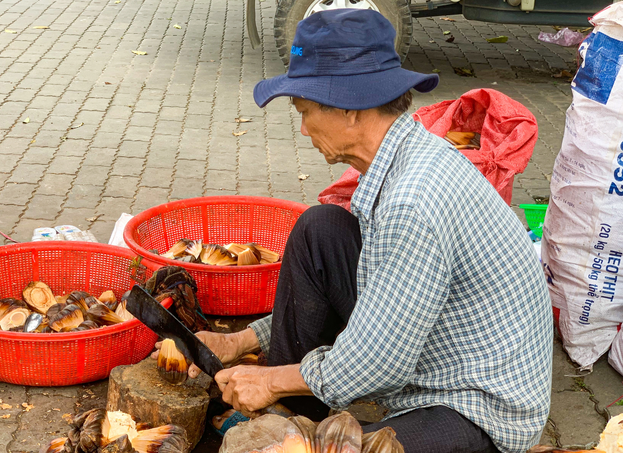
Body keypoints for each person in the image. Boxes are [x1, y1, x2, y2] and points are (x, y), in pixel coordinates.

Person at [157, 9, 553, 453]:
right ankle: (295, 422)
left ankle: (291, 416)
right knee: (320, 229)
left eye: (305, 111)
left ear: (348, 108)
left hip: (477, 407)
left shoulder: (412, 201)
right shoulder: (402, 157)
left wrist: (270, 380)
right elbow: (379, 305)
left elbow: (378, 361)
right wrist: (238, 342)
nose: (304, 128)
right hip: (436, 349)